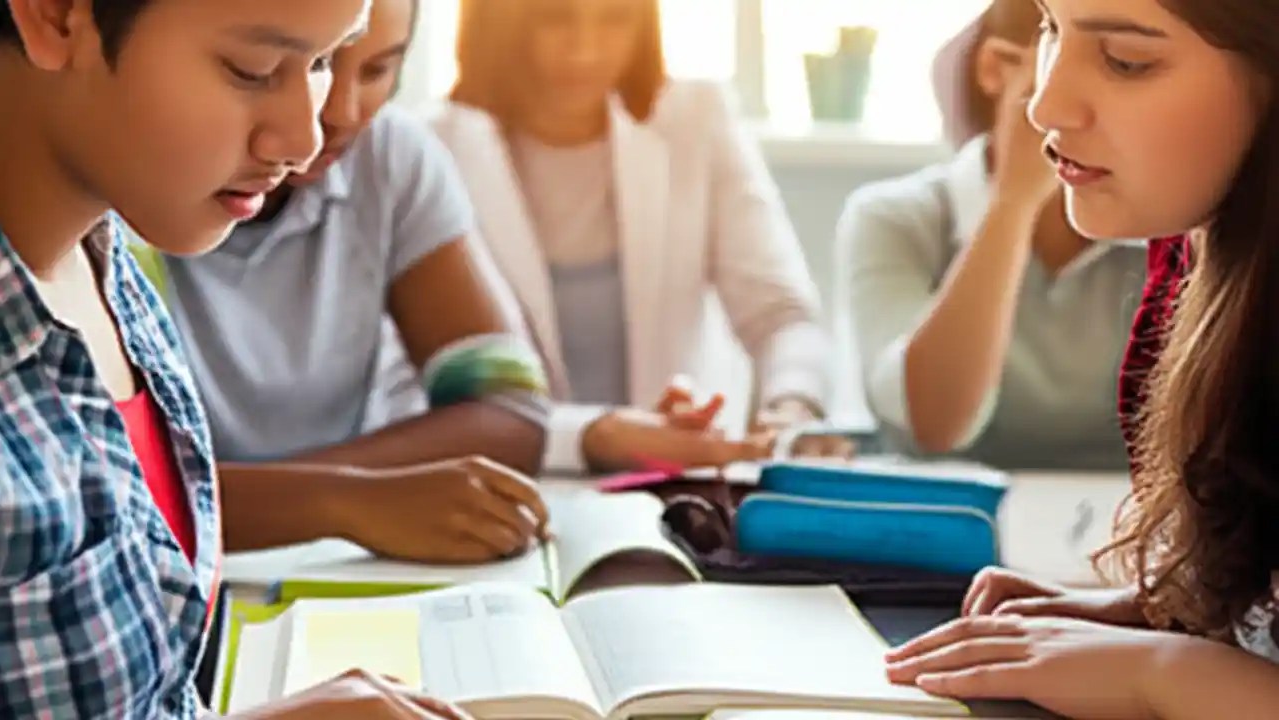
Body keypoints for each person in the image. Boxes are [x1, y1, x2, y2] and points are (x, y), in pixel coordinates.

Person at [0, 0, 471, 717]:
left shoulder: (109, 274)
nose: (304, 140)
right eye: (251, 70)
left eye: (318, 61)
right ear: (57, 15)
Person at [884, 0, 1279, 717]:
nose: (1043, 105)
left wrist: (1164, 672)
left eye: (1127, 60)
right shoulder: (1201, 266)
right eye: (1050, 29)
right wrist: (1173, 615)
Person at [142, 0, 554, 565]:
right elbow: (108, 491)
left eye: (378, 68)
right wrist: (339, 499)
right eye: (318, 64)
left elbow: (510, 414)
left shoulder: (390, 159)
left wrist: (282, 501)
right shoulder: (119, 181)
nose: (337, 113)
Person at [426, 0, 841, 473]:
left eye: (614, 19)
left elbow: (782, 315)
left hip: (677, 490)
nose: (584, 50)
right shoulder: (434, 151)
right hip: (507, 483)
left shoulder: (696, 118)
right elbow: (435, 389)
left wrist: (790, 409)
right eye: (556, 19)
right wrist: (595, 435)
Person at [836, 0, 1145, 470]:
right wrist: (1013, 204)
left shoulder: (1170, 228)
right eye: (1059, 53)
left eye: (1125, 65)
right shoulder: (894, 218)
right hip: (948, 525)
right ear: (995, 68)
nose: (1084, 106)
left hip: (1127, 526)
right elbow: (936, 427)